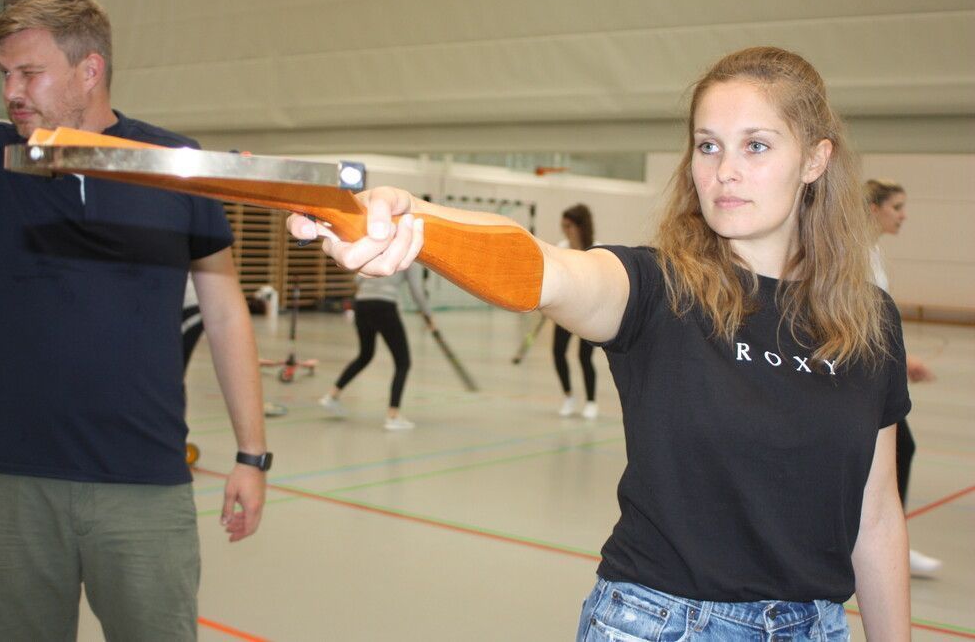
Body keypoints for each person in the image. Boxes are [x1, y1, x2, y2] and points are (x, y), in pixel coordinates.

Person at [290, 47, 911, 639]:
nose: (725, 171)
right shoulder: (658, 289)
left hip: (818, 626)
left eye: (756, 145)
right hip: (664, 625)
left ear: (815, 159)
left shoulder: (869, 321)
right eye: (707, 146)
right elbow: (542, 268)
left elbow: (877, 518)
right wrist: (417, 224)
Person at [0, 0, 268, 640]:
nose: (12, 90)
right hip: (14, 483)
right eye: (4, 74)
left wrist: (251, 454)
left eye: (29, 73)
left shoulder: (172, 164)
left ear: (88, 71)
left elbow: (226, 311)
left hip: (143, 484)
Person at [867, 177, 942, 578]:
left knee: (898, 450)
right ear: (875, 208)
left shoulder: (874, 251)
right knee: (899, 448)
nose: (903, 215)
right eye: (896, 207)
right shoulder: (855, 251)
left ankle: (890, 540)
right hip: (857, 376)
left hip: (875, 372)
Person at [319, 264, 433, 430]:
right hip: (384, 307)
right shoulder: (412, 256)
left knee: (365, 355)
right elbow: (417, 291)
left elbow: (358, 278)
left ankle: (332, 396)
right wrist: (429, 316)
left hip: (361, 305)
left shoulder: (379, 250)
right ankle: (393, 416)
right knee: (403, 363)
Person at [554, 204, 600, 419]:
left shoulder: (597, 250)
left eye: (569, 226)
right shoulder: (560, 248)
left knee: (584, 357)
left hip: (588, 314)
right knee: (558, 352)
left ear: (581, 226)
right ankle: (568, 396)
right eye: (563, 226)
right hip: (564, 312)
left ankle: (591, 401)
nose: (565, 230)